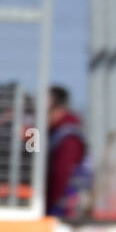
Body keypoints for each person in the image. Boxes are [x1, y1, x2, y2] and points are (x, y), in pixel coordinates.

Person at [45, 85, 88, 217]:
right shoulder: (51, 131)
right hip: (55, 203)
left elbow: (60, 174)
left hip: (61, 207)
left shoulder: (68, 137)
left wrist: (47, 205)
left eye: (46, 110)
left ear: (59, 109)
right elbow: (32, 152)